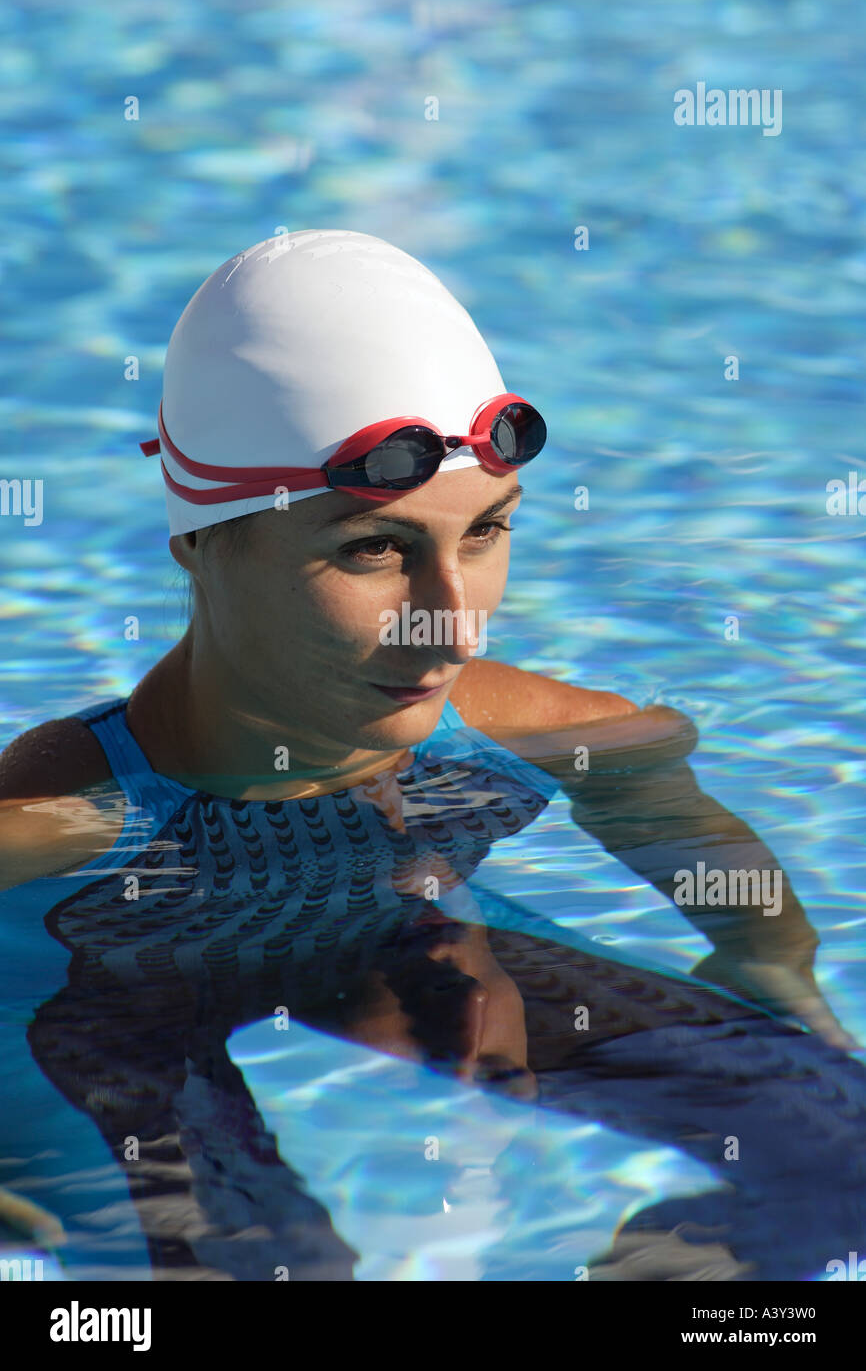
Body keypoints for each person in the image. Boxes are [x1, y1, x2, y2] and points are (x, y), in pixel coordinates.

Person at [0, 229, 862, 1280]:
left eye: (485, 533)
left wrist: (766, 958)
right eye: (373, 549)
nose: (453, 629)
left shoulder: (515, 733)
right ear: (198, 536)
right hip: (103, 995)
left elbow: (650, 788)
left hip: (385, 931)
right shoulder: (61, 817)